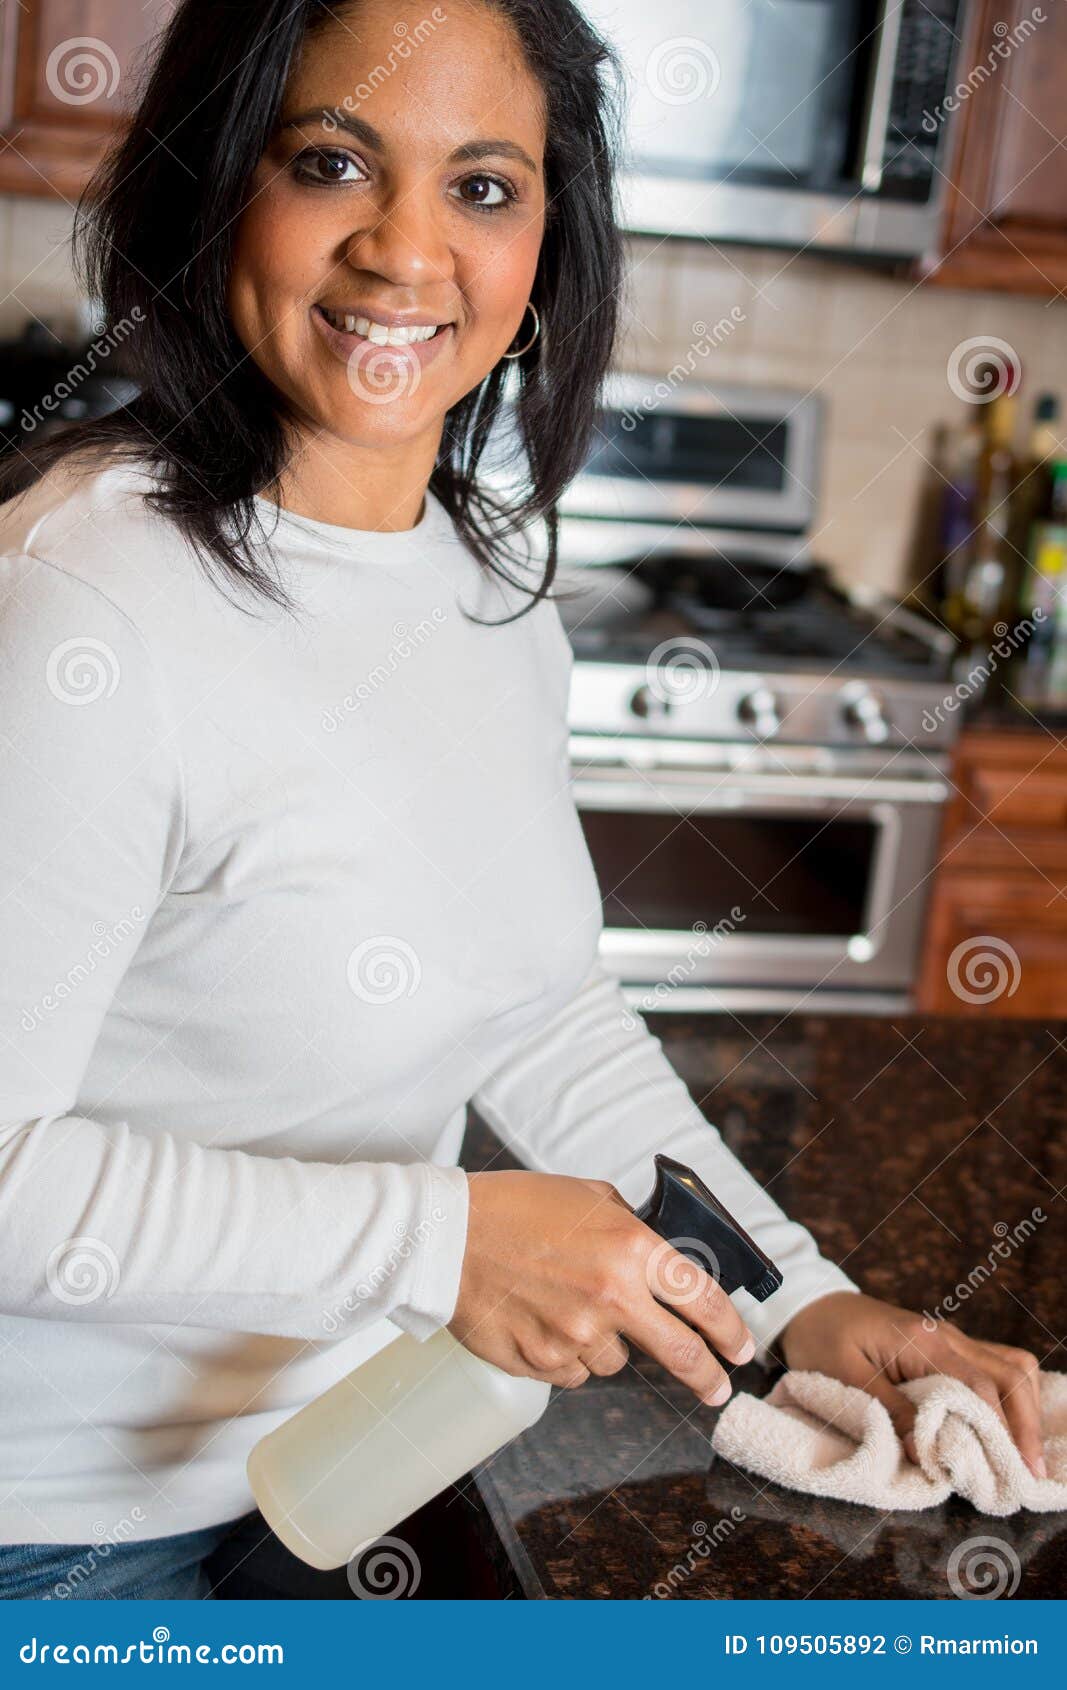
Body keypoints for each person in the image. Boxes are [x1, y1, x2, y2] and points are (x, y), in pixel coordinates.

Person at [0, 0, 1044, 1600]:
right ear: (216, 184)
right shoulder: (87, 600)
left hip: (336, 1476)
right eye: (332, 162)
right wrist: (442, 1240)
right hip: (54, 1542)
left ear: (550, 242)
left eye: (485, 186)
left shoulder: (485, 591)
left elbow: (540, 1016)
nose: (408, 249)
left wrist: (795, 1303)